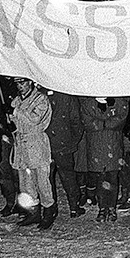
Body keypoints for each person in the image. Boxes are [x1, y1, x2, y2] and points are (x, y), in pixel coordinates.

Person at [9, 77, 53, 228]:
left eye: (23, 83)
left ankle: (49, 210)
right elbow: (14, 122)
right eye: (17, 83)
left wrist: (16, 112)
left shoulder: (41, 99)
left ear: (30, 82)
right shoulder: (16, 100)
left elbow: (35, 119)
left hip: (36, 141)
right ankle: (34, 212)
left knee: (42, 180)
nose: (20, 86)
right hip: (21, 143)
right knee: (26, 181)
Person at [81, 96, 129, 222]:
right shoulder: (88, 103)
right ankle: (102, 208)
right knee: (100, 179)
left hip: (113, 145)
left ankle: (112, 207)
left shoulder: (118, 101)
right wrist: (107, 123)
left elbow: (121, 119)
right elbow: (87, 122)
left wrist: (101, 123)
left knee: (112, 178)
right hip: (96, 146)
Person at [45, 91, 86, 219]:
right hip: (63, 142)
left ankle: (50, 208)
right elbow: (76, 121)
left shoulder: (40, 95)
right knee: (68, 177)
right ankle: (74, 207)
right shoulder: (67, 95)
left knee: (47, 179)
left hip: (45, 143)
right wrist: (72, 141)